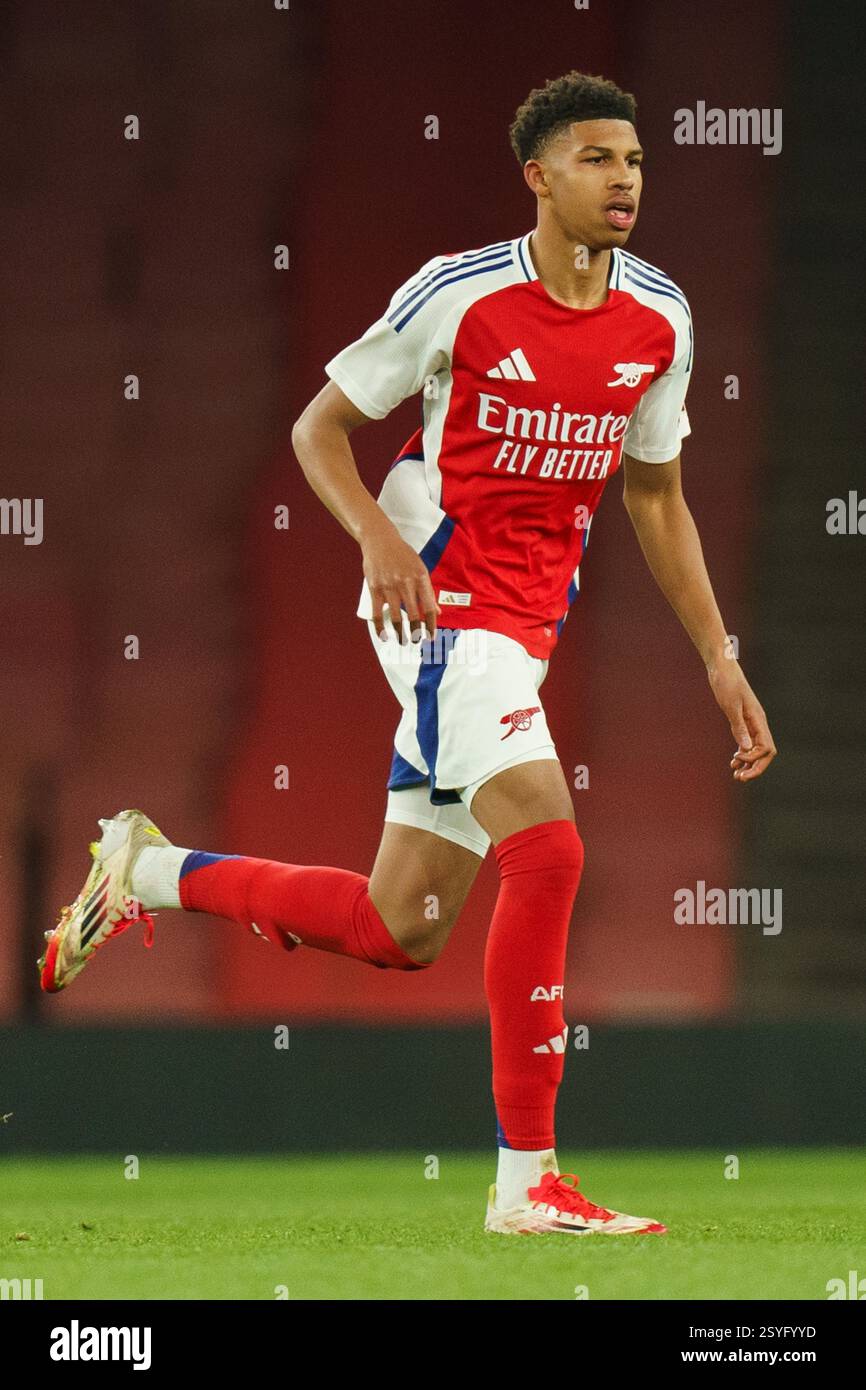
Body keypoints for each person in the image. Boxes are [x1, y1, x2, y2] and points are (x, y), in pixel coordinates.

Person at [39, 70, 776, 1237]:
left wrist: (716, 657)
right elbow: (318, 427)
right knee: (548, 842)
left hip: (523, 625)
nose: (622, 177)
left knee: (403, 927)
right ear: (537, 177)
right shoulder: (459, 295)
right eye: (594, 158)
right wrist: (381, 539)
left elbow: (656, 497)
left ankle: (144, 871)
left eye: (632, 158)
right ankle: (524, 1183)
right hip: (435, 597)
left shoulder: (660, 319)